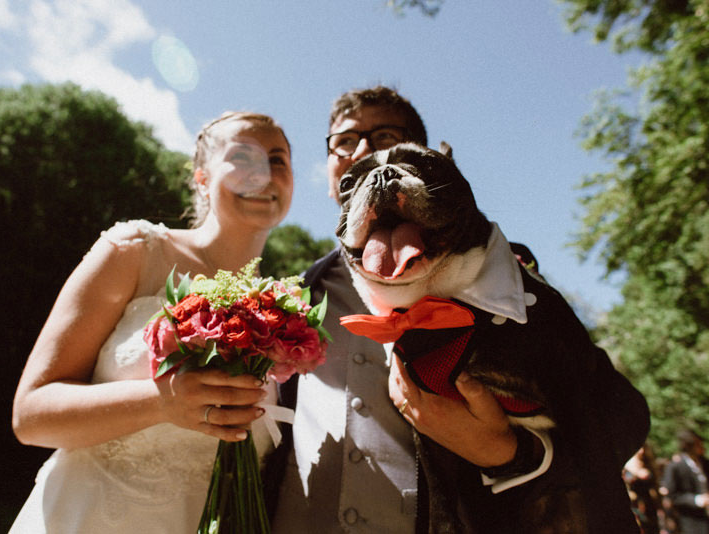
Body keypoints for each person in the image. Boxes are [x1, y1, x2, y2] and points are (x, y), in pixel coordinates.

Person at [264, 86, 649, 532]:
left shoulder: (506, 279)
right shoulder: (295, 295)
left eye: (385, 135)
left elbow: (615, 419)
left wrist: (509, 454)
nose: (364, 149)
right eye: (345, 142)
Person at [10, 111, 293, 533]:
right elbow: (31, 416)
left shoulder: (281, 309)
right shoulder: (134, 253)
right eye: (243, 156)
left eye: (277, 159)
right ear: (201, 177)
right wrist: (162, 400)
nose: (264, 174)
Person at [662, 428, 709, 534]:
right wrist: (697, 500)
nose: (702, 447)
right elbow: (672, 496)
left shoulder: (705, 463)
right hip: (692, 523)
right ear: (689, 446)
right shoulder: (675, 467)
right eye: (698, 444)